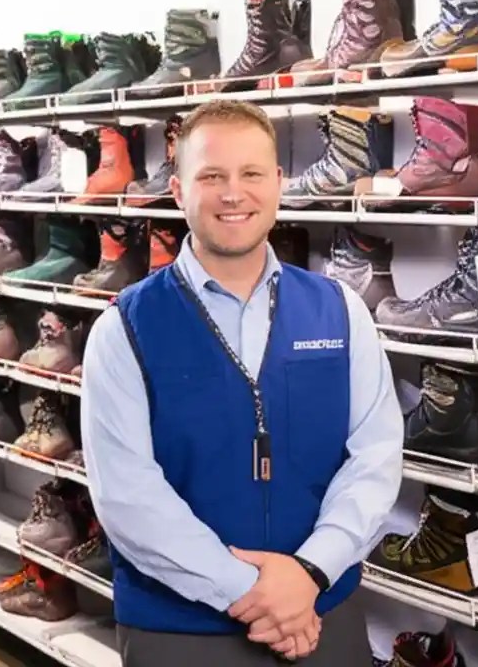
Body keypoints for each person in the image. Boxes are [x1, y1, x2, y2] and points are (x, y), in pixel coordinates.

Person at [80, 99, 405, 666]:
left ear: (278, 184)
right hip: (179, 629)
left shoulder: (340, 312)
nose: (234, 193)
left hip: (322, 612)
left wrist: (309, 573)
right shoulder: (125, 328)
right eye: (211, 176)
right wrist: (251, 592)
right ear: (179, 191)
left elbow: (375, 458)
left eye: (251, 174)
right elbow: (128, 497)